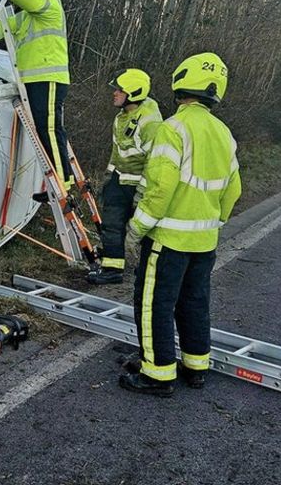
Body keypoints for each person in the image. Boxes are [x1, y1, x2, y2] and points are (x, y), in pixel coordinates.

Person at [118, 52, 241, 396]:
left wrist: (136, 228)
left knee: (155, 304)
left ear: (181, 82)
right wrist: (214, 220)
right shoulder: (223, 133)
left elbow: (159, 188)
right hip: (205, 241)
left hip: (168, 240)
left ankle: (157, 374)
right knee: (195, 301)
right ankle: (196, 365)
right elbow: (234, 189)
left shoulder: (173, 129)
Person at [0, 0, 73, 196]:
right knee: (43, 131)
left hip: (49, 79)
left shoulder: (51, 7)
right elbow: (3, 28)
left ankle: (62, 184)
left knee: (49, 130)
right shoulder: (25, 17)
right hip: (31, 81)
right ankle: (57, 181)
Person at [87, 69, 162, 285]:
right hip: (119, 181)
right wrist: (109, 177)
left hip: (138, 186)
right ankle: (112, 269)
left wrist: (141, 193)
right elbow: (118, 151)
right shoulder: (122, 117)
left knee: (145, 229)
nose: (115, 93)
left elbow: (154, 162)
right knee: (112, 225)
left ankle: (147, 269)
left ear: (134, 93)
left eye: (120, 90)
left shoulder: (150, 123)